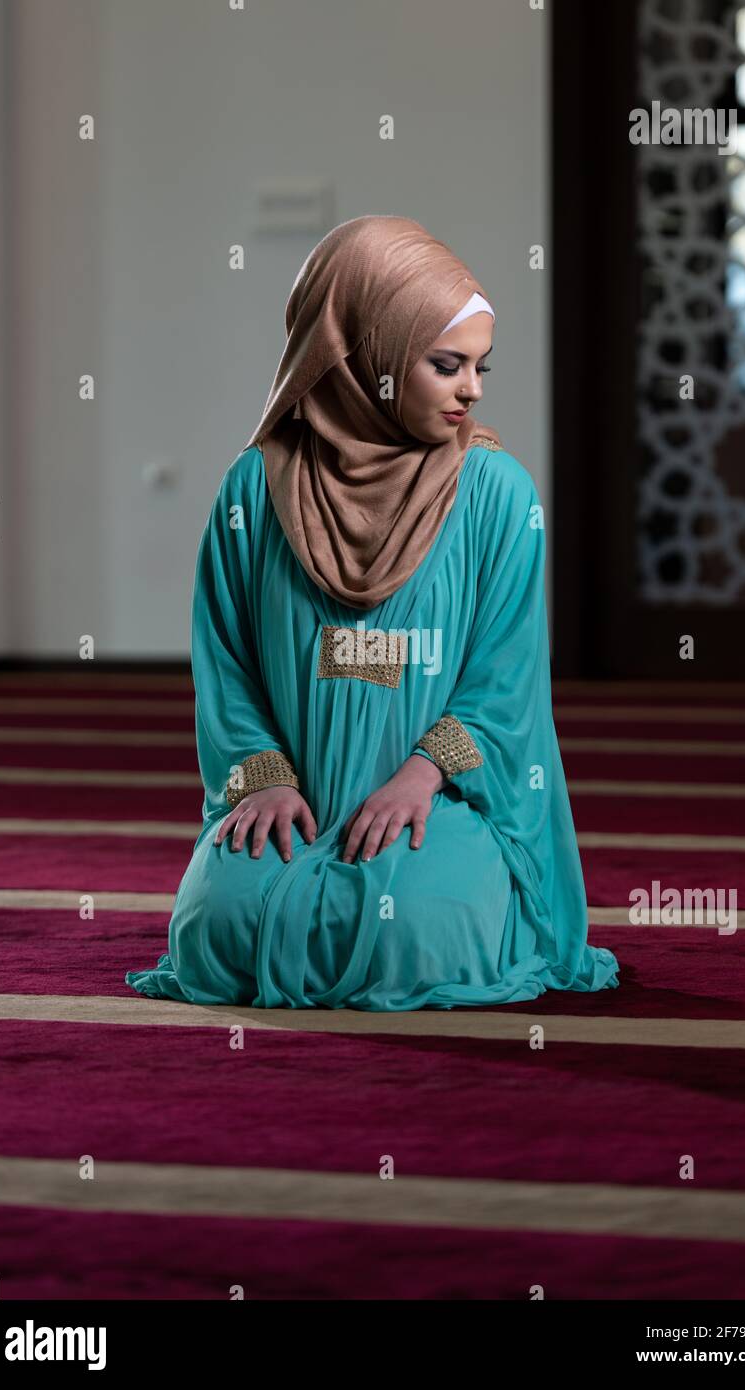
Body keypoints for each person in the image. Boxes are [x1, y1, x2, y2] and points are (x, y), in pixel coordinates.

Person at [125, 214, 619, 1010]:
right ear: (365, 356)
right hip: (295, 795)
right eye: (446, 365)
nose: (472, 390)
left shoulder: (496, 497)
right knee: (221, 926)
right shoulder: (254, 492)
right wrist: (262, 783)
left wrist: (421, 779)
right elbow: (228, 665)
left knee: (422, 929)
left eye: (480, 368)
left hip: (437, 799)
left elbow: (505, 680)